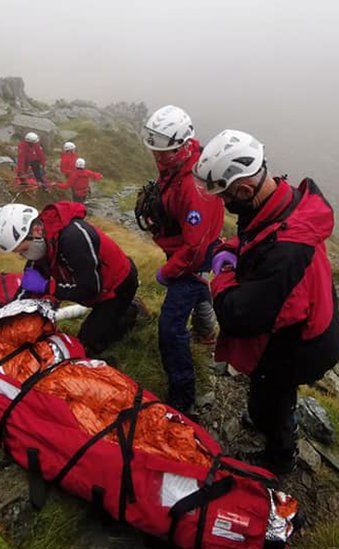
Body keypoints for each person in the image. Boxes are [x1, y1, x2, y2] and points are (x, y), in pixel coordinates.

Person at [194, 129, 339, 475]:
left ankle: (280, 458)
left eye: (225, 197)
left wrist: (224, 274)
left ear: (245, 189)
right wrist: (229, 250)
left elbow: (239, 316)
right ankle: (271, 417)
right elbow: (252, 236)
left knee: (271, 396)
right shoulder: (281, 200)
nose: (223, 204)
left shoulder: (286, 251)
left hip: (305, 344)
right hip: (313, 321)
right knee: (270, 393)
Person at [137, 105, 224, 413]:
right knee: (201, 292)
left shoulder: (193, 185)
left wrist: (168, 271)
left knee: (170, 328)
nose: (159, 158)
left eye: (165, 153)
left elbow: (196, 248)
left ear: (185, 145)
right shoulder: (178, 164)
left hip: (190, 261)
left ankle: (182, 397)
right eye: (155, 153)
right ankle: (206, 331)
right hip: (188, 254)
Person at [0, 201, 139, 355]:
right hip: (95, 289)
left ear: (35, 230)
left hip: (118, 286)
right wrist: (5, 319)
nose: (25, 256)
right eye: (20, 253)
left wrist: (48, 287)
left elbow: (90, 289)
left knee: (87, 344)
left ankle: (130, 310)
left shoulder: (74, 238)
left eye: (25, 250)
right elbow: (26, 290)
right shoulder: (42, 241)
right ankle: (118, 312)